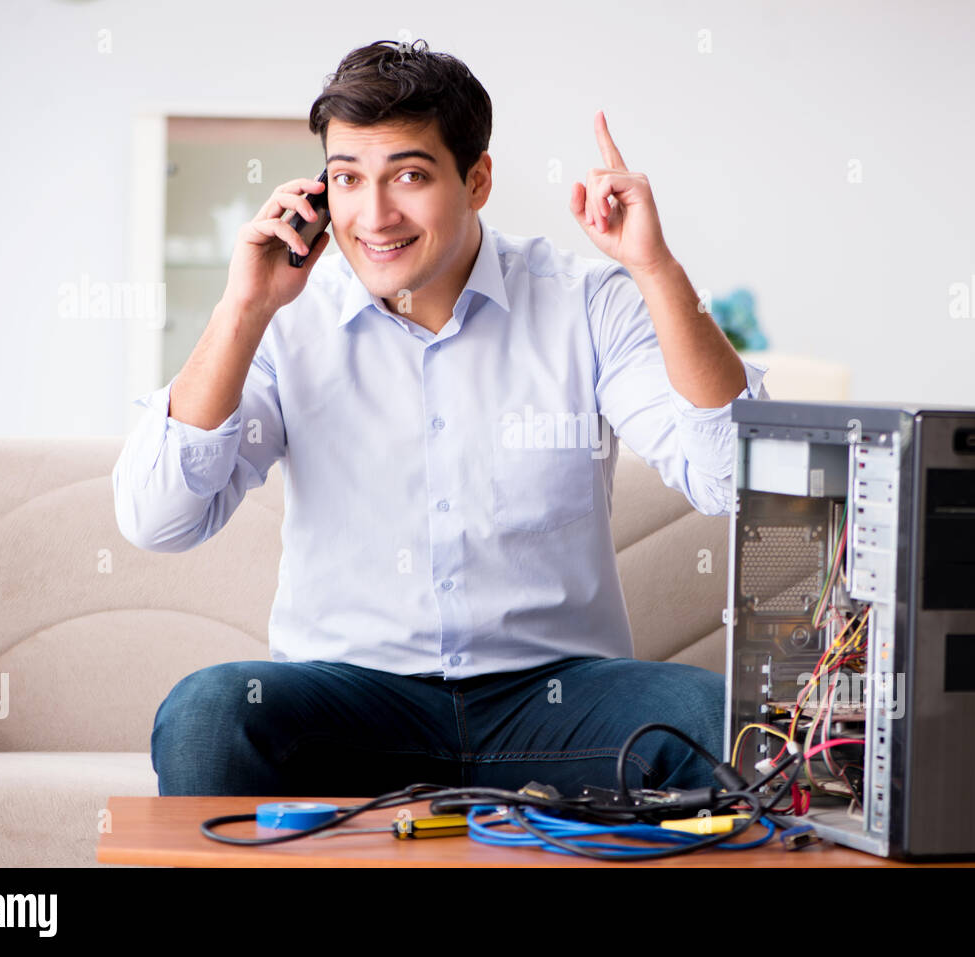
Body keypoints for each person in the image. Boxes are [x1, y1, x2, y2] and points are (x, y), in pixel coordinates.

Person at [113, 39, 768, 798]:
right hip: (355, 701)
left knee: (724, 722)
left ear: (477, 178)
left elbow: (733, 479)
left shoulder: (583, 301)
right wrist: (243, 308)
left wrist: (656, 270)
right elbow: (158, 519)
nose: (375, 214)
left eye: (410, 176)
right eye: (348, 179)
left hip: (553, 700)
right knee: (207, 715)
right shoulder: (287, 319)